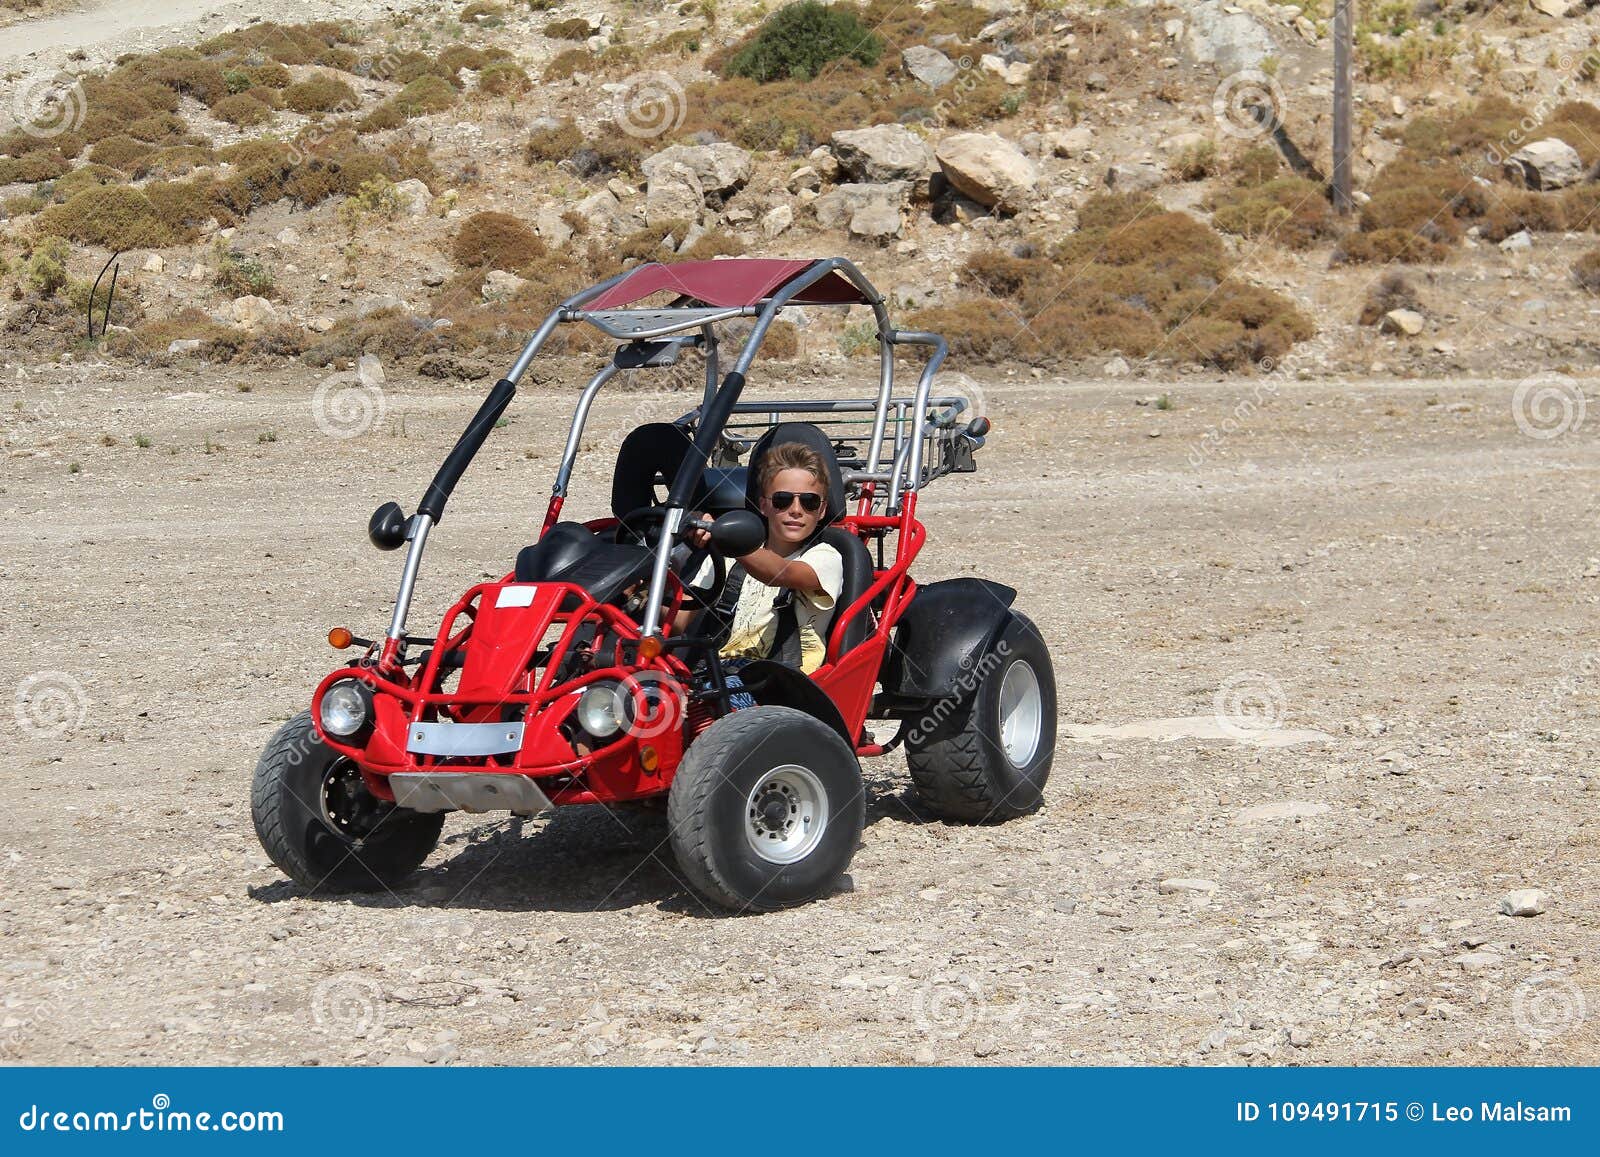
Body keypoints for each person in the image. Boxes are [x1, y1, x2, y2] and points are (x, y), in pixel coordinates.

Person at [680, 441, 844, 704]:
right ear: (763, 505)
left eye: (810, 502)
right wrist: (643, 586)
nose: (796, 510)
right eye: (782, 500)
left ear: (822, 510)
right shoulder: (727, 557)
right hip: (719, 673)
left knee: (710, 702)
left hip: (784, 684)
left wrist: (725, 538)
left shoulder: (824, 558)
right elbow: (678, 620)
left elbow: (780, 573)